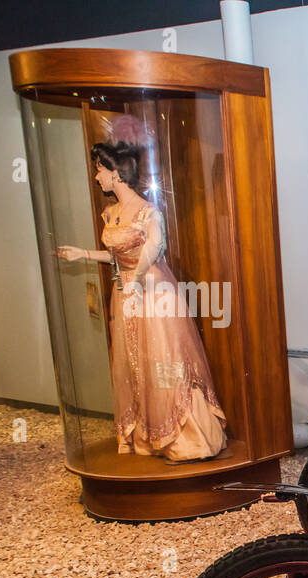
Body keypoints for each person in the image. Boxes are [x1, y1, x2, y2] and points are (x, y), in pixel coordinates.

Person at [57, 116, 226, 462]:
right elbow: (117, 254)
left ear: (115, 172)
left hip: (153, 294)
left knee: (165, 361)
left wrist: (137, 277)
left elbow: (155, 245)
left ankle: (186, 437)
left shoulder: (146, 211)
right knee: (135, 365)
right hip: (126, 295)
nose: (97, 177)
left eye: (100, 171)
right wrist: (83, 254)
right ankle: (147, 437)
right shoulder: (112, 213)